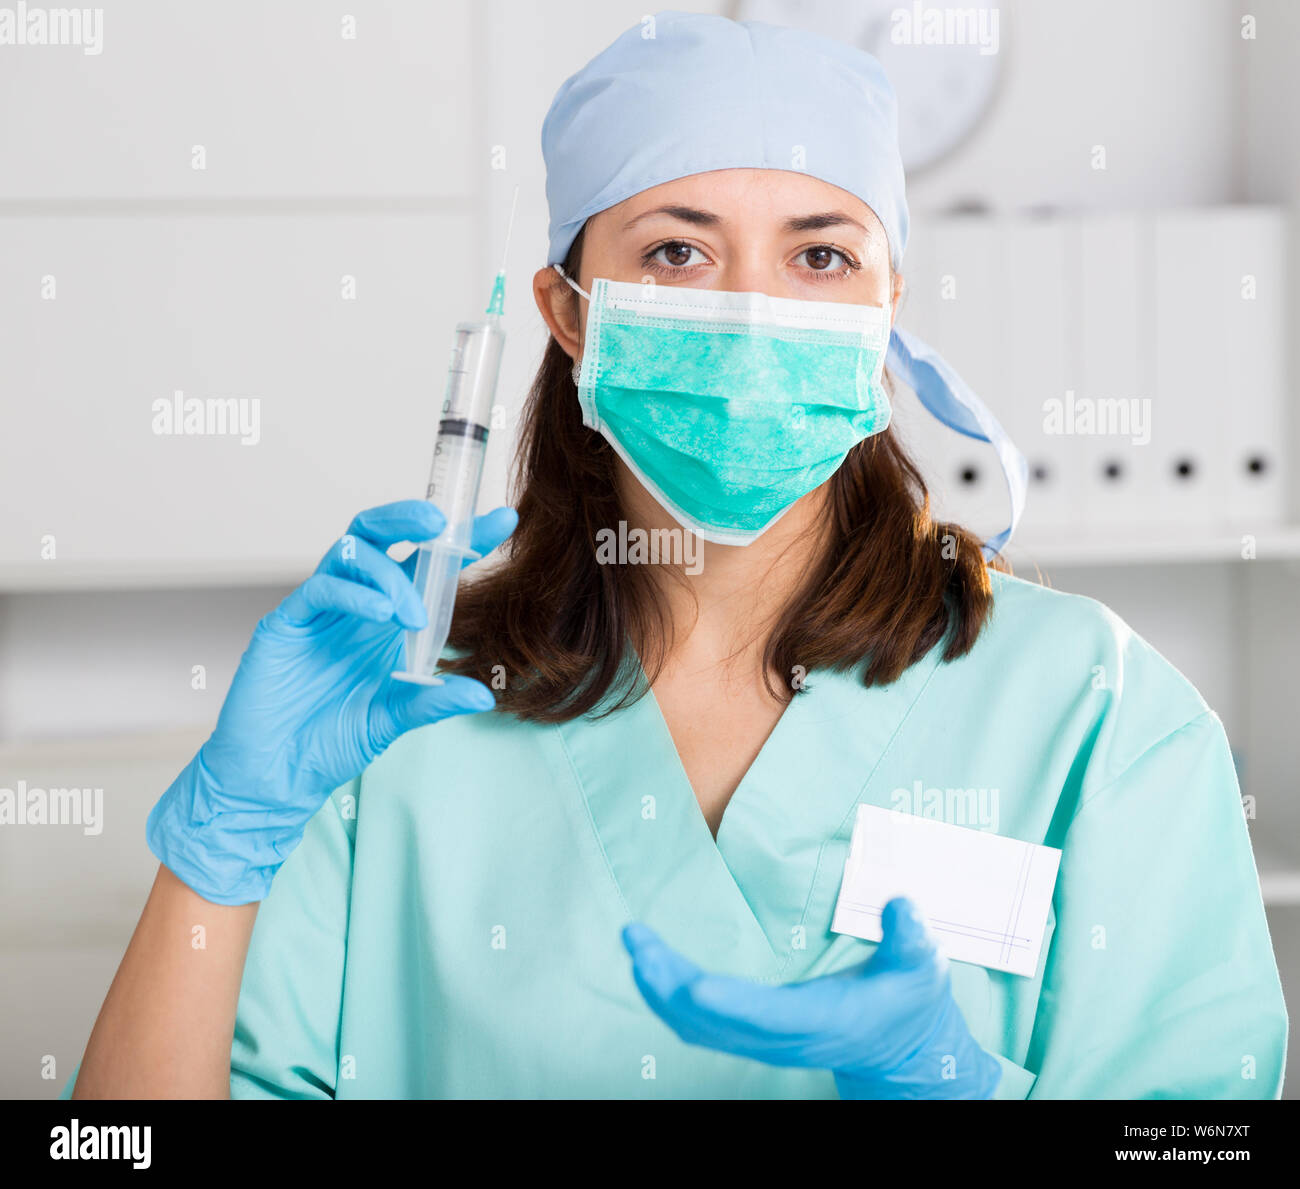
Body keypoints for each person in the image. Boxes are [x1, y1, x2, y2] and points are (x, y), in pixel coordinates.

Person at [66, 10, 1285, 1100]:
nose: (755, 312)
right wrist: (217, 847)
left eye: (820, 255)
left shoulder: (1093, 712)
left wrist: (956, 1087)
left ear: (884, 309)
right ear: (565, 310)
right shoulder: (394, 713)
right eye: (676, 252)